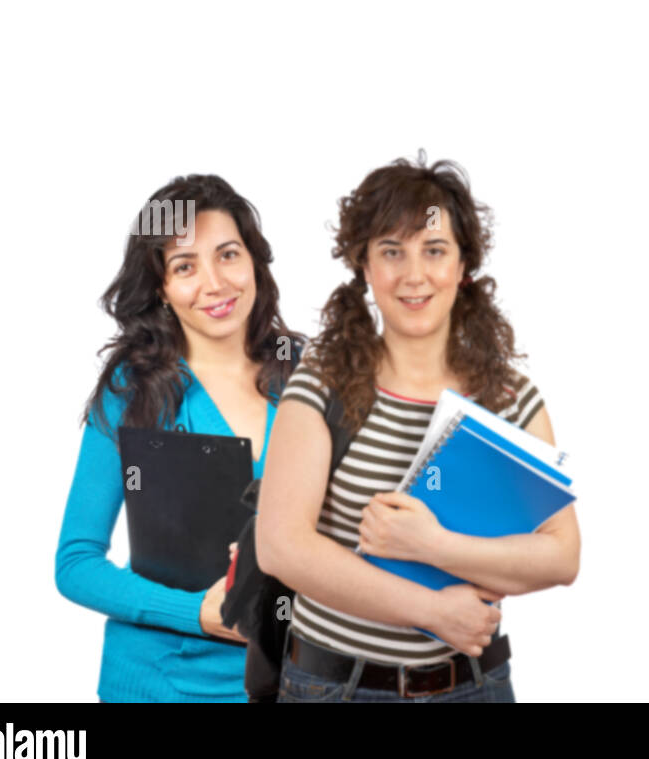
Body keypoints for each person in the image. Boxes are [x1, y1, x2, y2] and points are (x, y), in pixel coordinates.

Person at [256, 154, 580, 703]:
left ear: (463, 266)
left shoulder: (509, 398)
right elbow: (282, 547)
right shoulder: (322, 382)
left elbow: (561, 555)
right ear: (364, 265)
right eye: (391, 251)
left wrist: (434, 545)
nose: (413, 275)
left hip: (472, 688)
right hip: (334, 688)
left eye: (433, 250)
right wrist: (432, 611)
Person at [56, 174, 303, 702]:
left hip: (298, 682)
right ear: (162, 289)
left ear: (255, 262)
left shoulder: (308, 374)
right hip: (160, 685)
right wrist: (194, 613)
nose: (215, 283)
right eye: (185, 266)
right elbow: (76, 562)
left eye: (229, 254)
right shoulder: (131, 391)